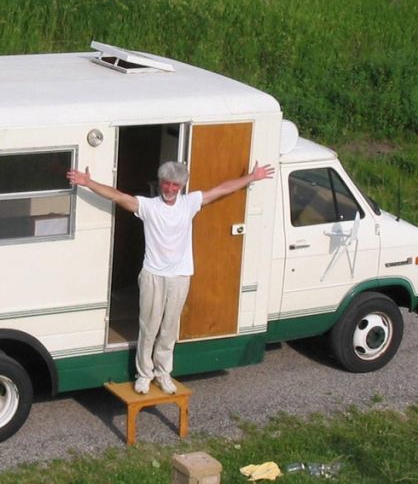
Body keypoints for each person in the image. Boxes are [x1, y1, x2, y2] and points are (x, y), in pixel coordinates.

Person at [67, 159, 274, 395]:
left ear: (182, 186)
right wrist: (88, 182)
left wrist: (252, 177)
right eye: (166, 184)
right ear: (160, 183)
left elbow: (222, 189)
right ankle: (144, 375)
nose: (170, 190)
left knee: (169, 328)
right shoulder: (149, 206)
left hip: (180, 276)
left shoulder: (190, 203)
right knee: (149, 327)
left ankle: (163, 373)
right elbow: (118, 196)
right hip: (153, 275)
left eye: (175, 186)